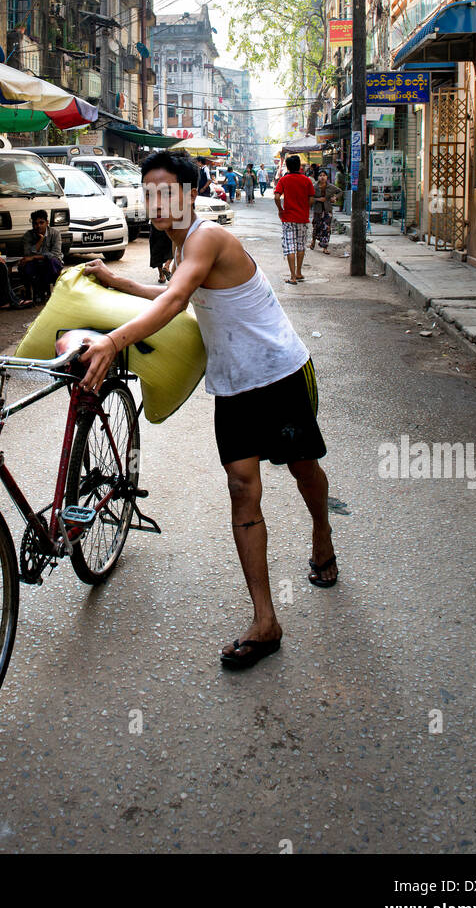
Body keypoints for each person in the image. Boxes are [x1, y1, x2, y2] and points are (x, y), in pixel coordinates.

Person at [79, 151, 336, 671]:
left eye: (166, 191)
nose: (156, 202)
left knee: (302, 467)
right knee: (242, 486)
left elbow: (176, 302)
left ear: (190, 193)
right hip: (234, 384)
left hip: (279, 373)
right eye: (148, 192)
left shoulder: (207, 237)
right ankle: (266, 621)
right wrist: (121, 282)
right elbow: (176, 290)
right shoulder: (180, 248)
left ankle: (322, 532)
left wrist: (113, 341)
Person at [274, 154, 315, 286]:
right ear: (299, 166)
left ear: (287, 166)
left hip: (288, 218)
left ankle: (292, 277)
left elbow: (277, 197)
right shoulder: (307, 180)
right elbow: (311, 198)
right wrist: (305, 208)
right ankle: (299, 272)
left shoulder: (283, 180)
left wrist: (280, 210)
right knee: (300, 245)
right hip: (302, 218)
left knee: (290, 246)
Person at [19, 209, 63, 305]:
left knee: (52, 261)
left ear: (47, 222)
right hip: (36, 264)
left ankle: (50, 289)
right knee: (26, 264)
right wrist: (40, 241)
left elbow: (55, 254)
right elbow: (27, 254)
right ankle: (32, 292)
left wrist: (35, 257)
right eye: (35, 223)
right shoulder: (28, 235)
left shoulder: (55, 233)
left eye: (41, 223)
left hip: (50, 263)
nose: (38, 226)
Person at [309, 171, 340, 253]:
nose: (322, 177)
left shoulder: (331, 187)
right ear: (318, 177)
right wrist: (318, 199)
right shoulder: (314, 187)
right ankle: (313, 241)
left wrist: (335, 198)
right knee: (316, 227)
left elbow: (340, 192)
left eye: (324, 175)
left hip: (328, 210)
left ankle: (325, 247)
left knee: (327, 228)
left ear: (327, 177)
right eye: (320, 175)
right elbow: (309, 198)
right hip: (317, 210)